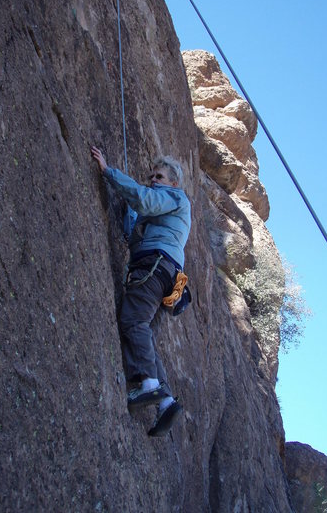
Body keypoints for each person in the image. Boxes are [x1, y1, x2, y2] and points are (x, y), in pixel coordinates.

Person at [91, 145, 191, 437]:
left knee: (133, 322)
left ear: (174, 182)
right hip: (166, 274)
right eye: (151, 176)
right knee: (143, 332)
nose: (153, 179)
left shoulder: (174, 196)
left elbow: (145, 200)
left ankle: (148, 386)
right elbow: (135, 230)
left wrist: (109, 173)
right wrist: (129, 212)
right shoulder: (168, 211)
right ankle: (167, 402)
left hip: (155, 267)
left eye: (159, 176)